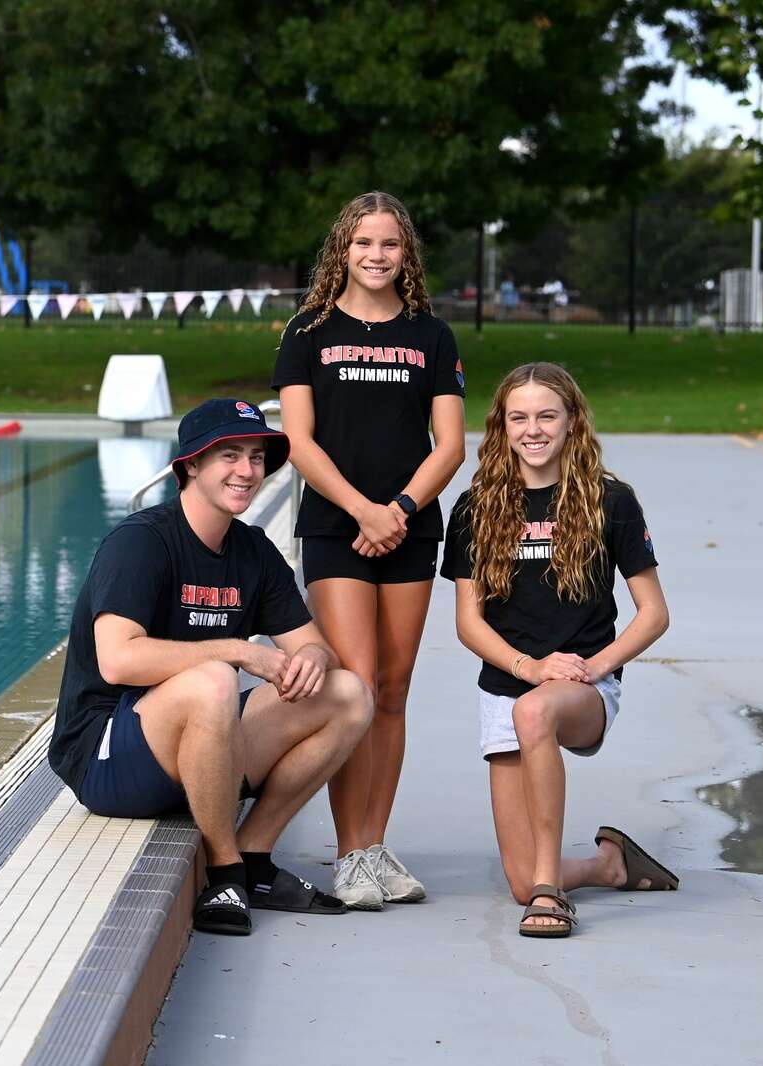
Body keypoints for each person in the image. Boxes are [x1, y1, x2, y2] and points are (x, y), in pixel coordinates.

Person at [48, 398, 374, 936]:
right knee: (215, 677)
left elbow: (313, 647)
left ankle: (255, 858)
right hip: (108, 757)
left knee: (346, 693)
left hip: (201, 745)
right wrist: (240, 651)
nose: (247, 470)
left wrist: (311, 661)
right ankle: (224, 872)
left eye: (256, 457)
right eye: (229, 455)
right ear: (191, 465)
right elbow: (118, 660)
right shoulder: (141, 542)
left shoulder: (252, 550)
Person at [271, 191, 466, 909]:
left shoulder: (431, 336)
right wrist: (362, 510)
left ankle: (375, 846)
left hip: (409, 530)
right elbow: (298, 442)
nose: (376, 255)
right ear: (342, 251)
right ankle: (348, 853)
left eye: (389, 244)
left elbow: (450, 446)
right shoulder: (308, 332)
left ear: (405, 253)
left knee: (394, 687)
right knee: (354, 685)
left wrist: (401, 510)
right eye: (363, 243)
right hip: (337, 530)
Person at [441, 363, 676, 937]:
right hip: (509, 681)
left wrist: (593, 669)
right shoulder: (474, 508)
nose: (534, 429)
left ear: (572, 421)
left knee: (535, 711)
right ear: (501, 426)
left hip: (582, 688)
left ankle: (551, 890)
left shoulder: (610, 500)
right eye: (518, 417)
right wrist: (530, 667)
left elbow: (654, 613)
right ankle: (608, 866)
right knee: (518, 880)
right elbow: (469, 624)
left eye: (547, 415)